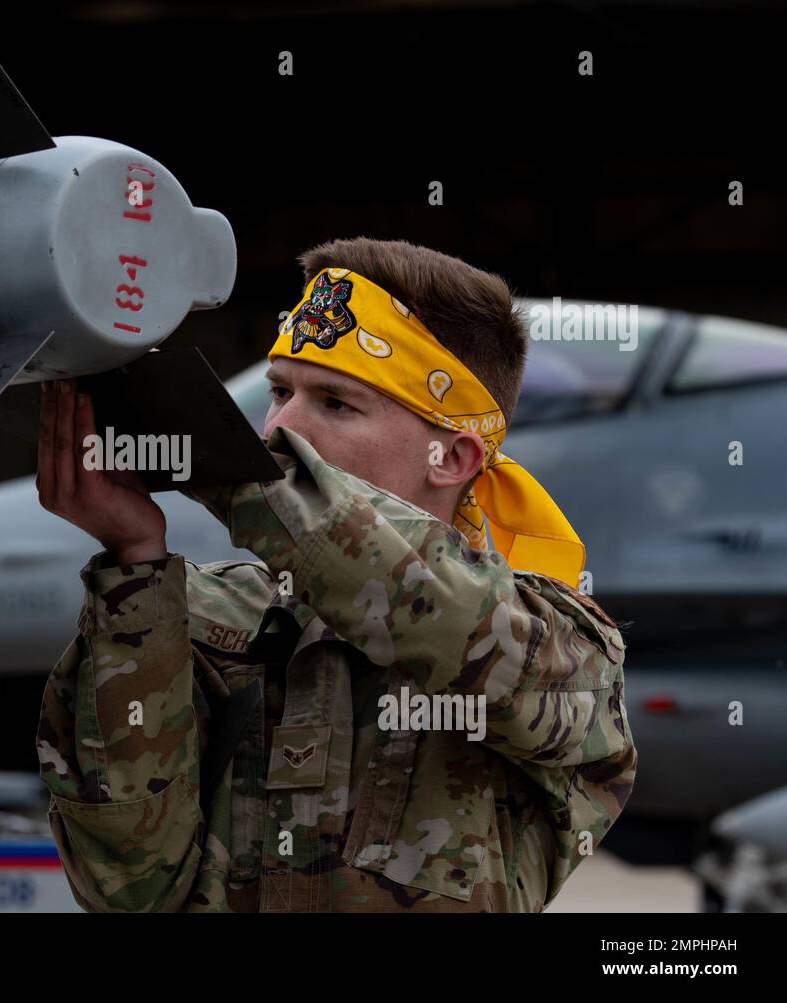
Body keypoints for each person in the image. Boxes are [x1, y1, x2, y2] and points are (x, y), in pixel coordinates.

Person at [34, 237, 637, 912]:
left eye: (335, 403)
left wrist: (215, 461)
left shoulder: (564, 650)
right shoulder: (206, 618)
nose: (281, 427)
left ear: (450, 456)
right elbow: (130, 887)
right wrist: (134, 562)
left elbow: (445, 616)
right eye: (280, 392)